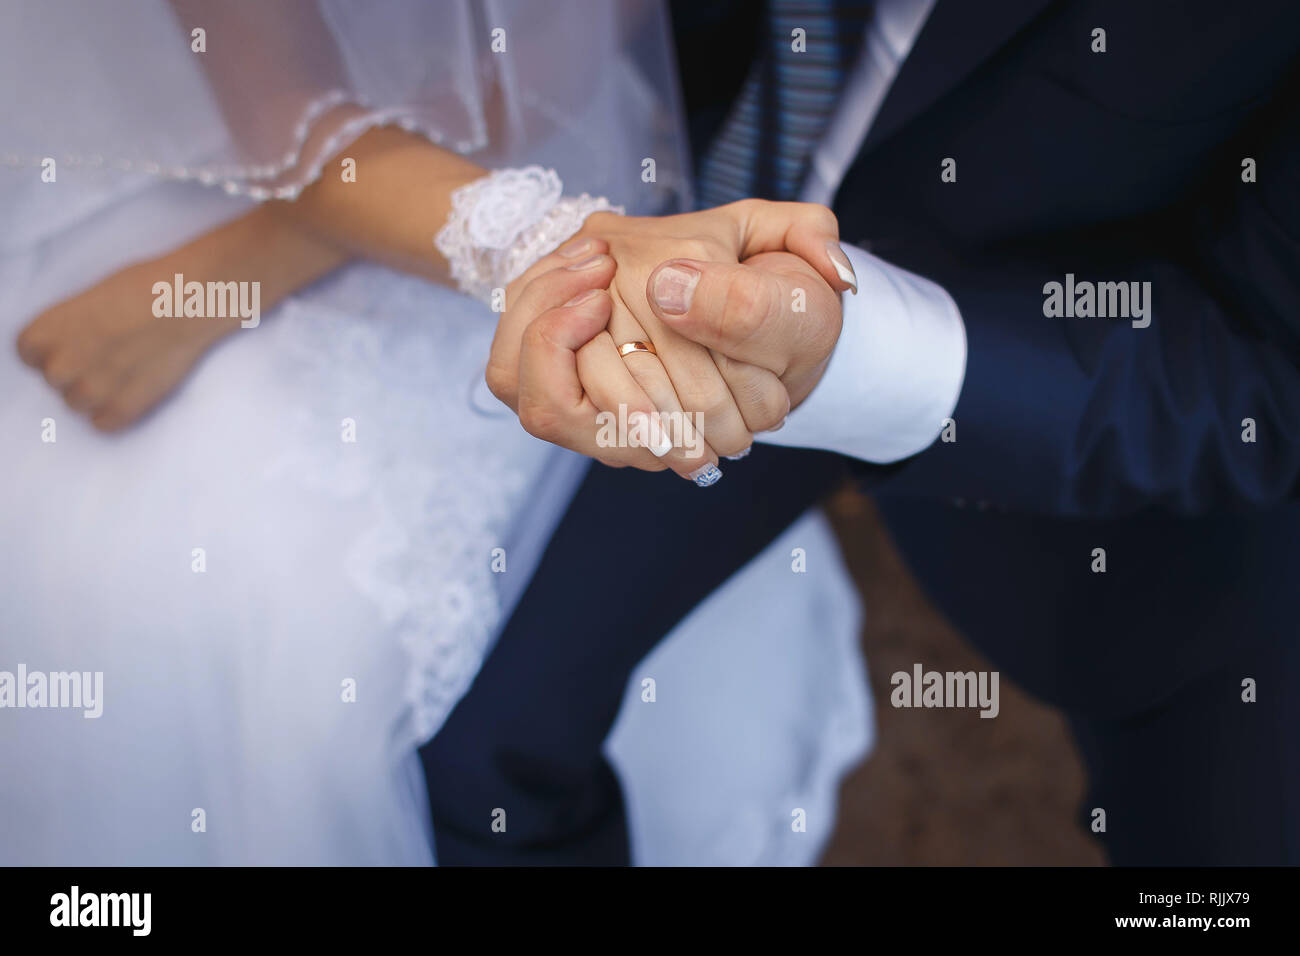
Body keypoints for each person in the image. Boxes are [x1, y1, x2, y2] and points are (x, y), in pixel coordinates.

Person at [425, 0, 1300, 865]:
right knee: (486, 745)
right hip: (694, 243)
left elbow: (1269, 369)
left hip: (1097, 420)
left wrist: (850, 353)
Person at [2, 0, 872, 865]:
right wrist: (563, 252)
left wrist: (567, 255)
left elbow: (539, 64)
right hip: (222, 144)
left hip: (557, 143)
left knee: (319, 633)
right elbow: (285, 113)